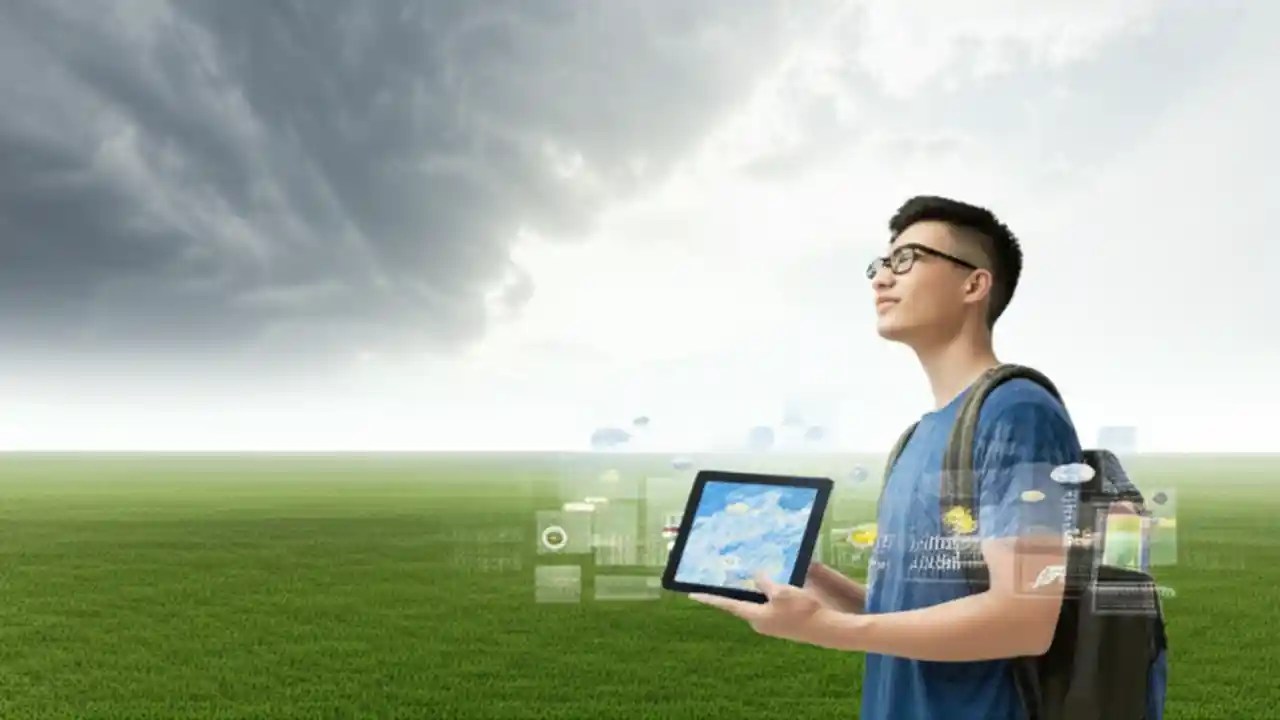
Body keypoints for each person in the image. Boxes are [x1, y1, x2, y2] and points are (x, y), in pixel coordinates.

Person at [691, 195, 1082, 720]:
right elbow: (899, 615)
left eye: (907, 260)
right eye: (880, 264)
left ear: (974, 284)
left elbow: (1024, 619)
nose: (881, 279)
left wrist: (828, 630)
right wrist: (808, 574)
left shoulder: (1021, 413)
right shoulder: (915, 439)